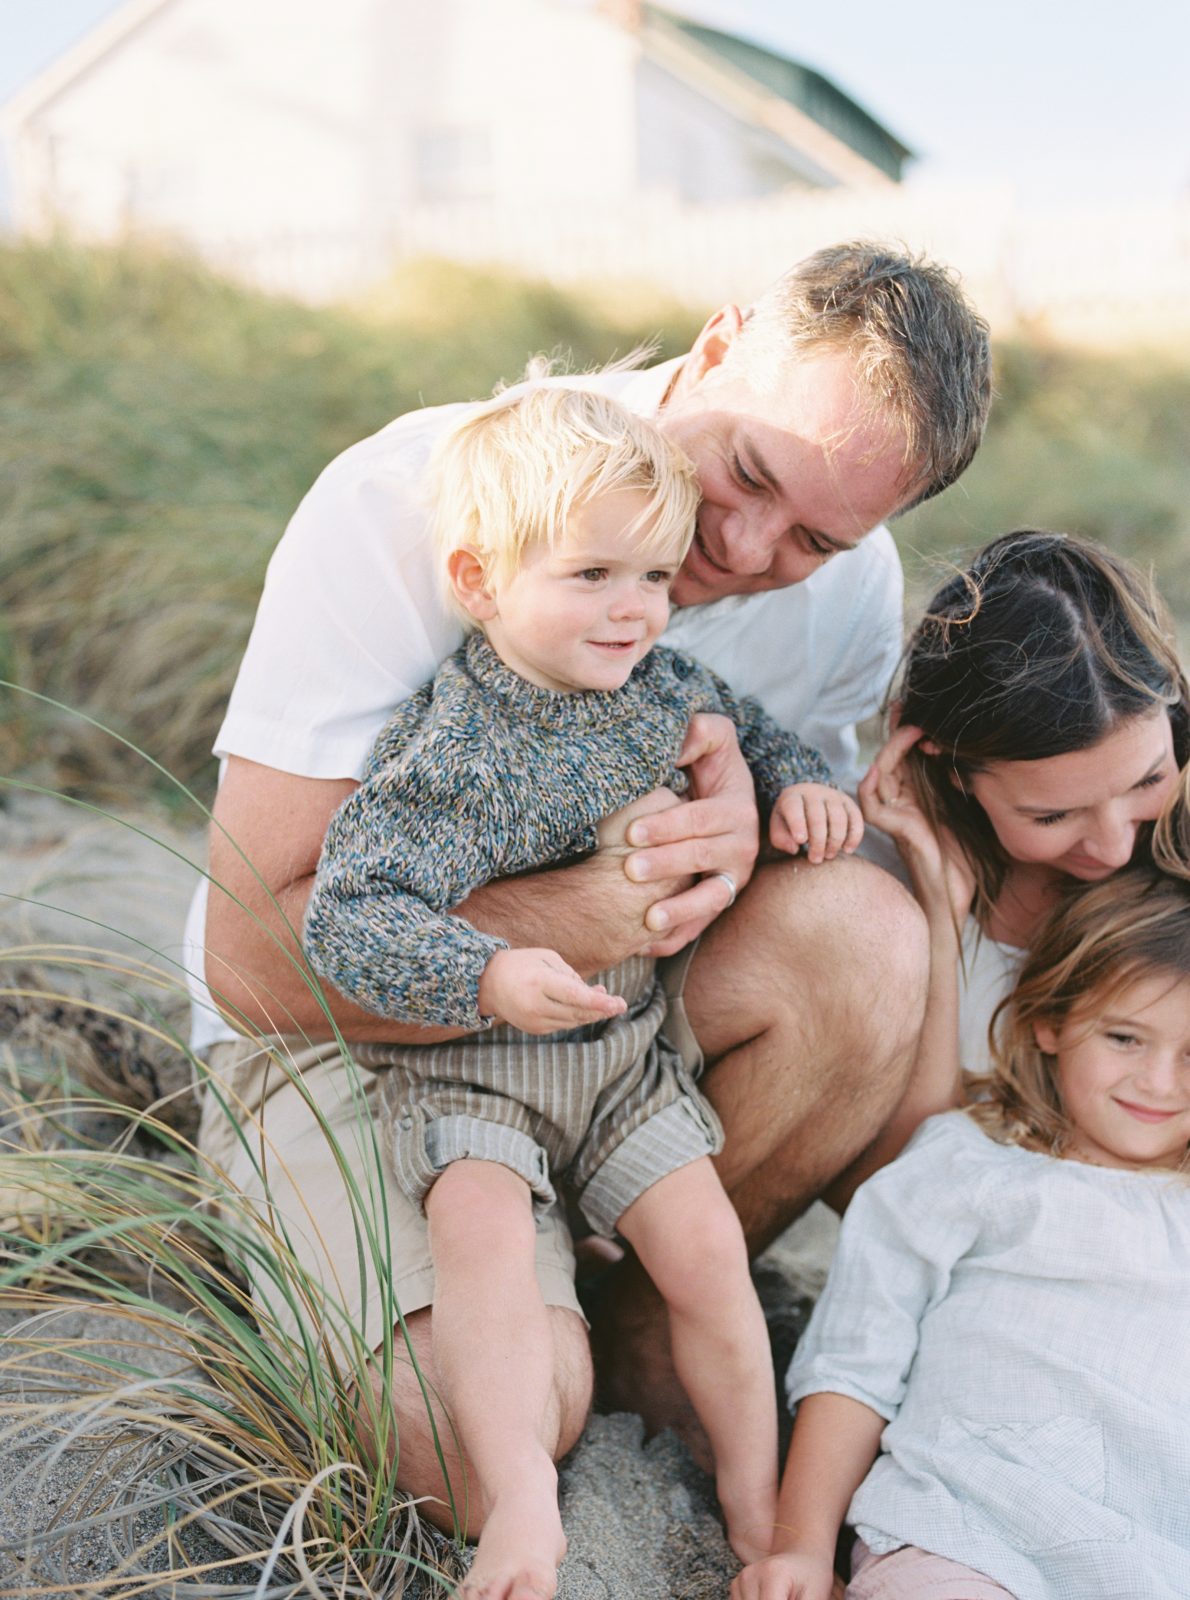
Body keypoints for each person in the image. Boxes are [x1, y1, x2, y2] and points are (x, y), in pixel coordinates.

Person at [189, 243, 991, 1520]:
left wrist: (755, 832)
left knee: (866, 936)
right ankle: (510, 1327)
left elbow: (818, 859)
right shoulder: (414, 503)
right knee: (461, 1434)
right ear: (717, 344)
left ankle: (636, 1318)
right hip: (354, 1038)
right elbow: (251, 962)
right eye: (744, 472)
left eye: (814, 536)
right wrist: (602, 902)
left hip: (616, 1051)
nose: (739, 544)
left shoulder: (849, 597)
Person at [303, 385, 863, 1592]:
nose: (634, 610)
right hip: (472, 1065)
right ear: (479, 577)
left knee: (709, 1252)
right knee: (483, 1239)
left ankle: (757, 1507)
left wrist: (798, 787)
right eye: (592, 574)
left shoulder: (659, 686)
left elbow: (751, 730)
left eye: (654, 578)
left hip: (621, 1059)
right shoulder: (450, 746)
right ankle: (520, 1506)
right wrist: (485, 969)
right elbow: (345, 916)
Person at [733, 861, 1190, 1600]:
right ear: (1050, 1021)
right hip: (965, 1530)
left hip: (1156, 1555)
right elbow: (855, 1361)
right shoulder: (966, 1164)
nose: (1159, 1082)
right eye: (1125, 1038)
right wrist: (805, 1548)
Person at [855, 529, 1190, 1163]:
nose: (1116, 848)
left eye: (1148, 779)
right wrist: (940, 908)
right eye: (1053, 814)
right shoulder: (873, 878)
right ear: (950, 766)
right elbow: (898, 1180)